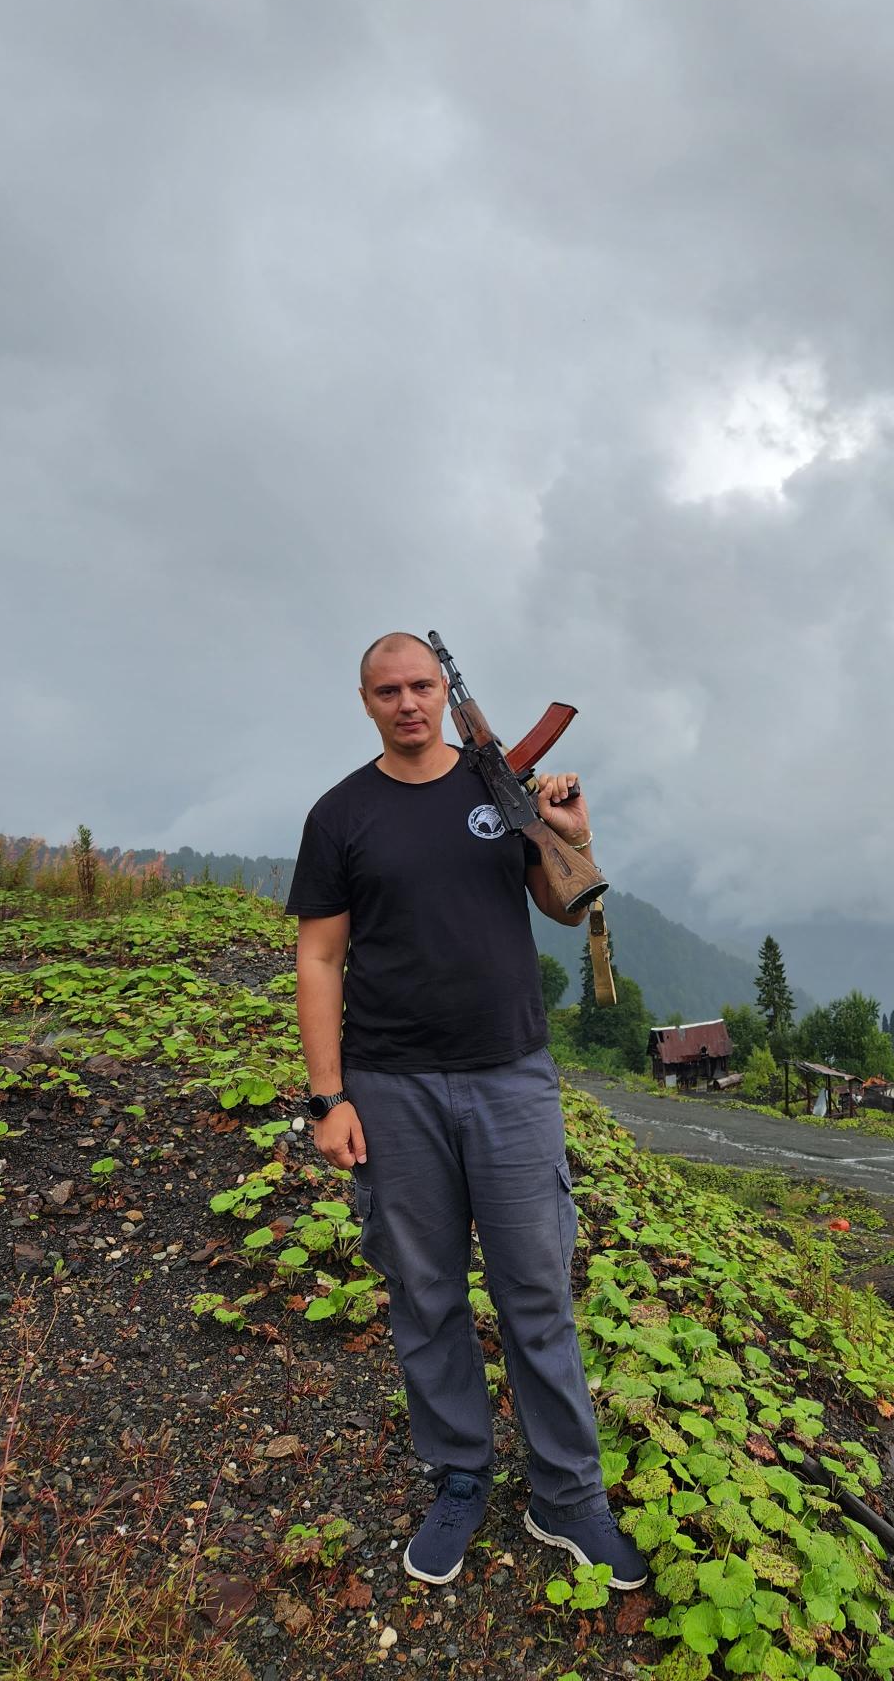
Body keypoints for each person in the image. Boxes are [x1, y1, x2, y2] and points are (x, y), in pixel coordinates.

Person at [285, 631, 648, 1591]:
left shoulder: (499, 786)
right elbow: (319, 959)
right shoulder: (340, 815)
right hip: (392, 1086)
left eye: (422, 686)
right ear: (364, 701)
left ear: (445, 690)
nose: (408, 703)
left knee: (536, 1292)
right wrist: (329, 1098)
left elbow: (567, 906)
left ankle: (569, 1500)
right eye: (388, 691)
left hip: (510, 1078)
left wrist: (570, 828)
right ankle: (459, 1476)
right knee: (427, 1292)